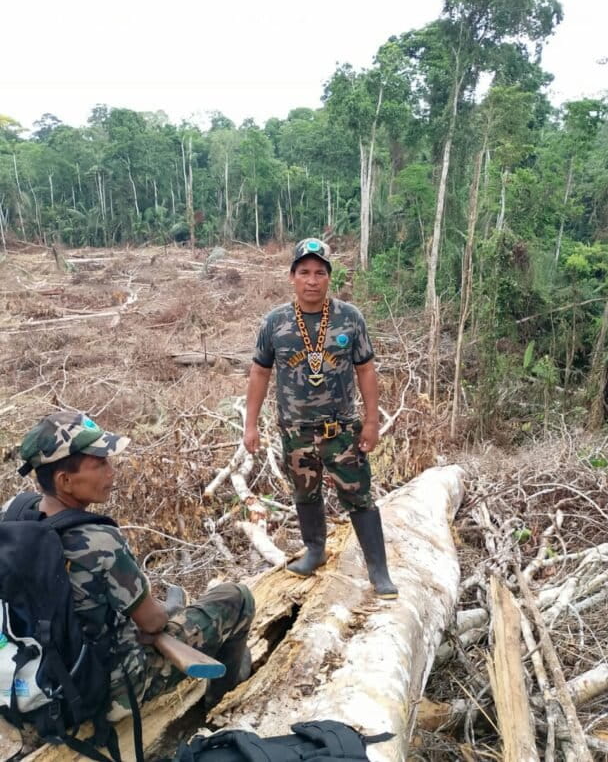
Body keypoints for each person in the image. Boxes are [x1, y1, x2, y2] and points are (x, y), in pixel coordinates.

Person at [8, 410, 254, 722]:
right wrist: (164, 613)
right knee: (237, 597)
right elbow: (151, 623)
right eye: (100, 464)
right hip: (107, 691)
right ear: (65, 480)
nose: (111, 472)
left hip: (36, 680)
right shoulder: (99, 540)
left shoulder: (14, 516)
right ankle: (222, 706)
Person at [244, 238, 397, 599]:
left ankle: (379, 570)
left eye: (319, 273)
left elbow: (366, 370)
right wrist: (250, 425)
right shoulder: (275, 322)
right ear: (292, 277)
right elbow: (259, 374)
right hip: (296, 431)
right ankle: (315, 550)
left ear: (329, 278)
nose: (312, 280)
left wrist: (372, 421)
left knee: (358, 495)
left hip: (340, 429)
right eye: (304, 273)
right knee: (305, 492)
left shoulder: (349, 318)